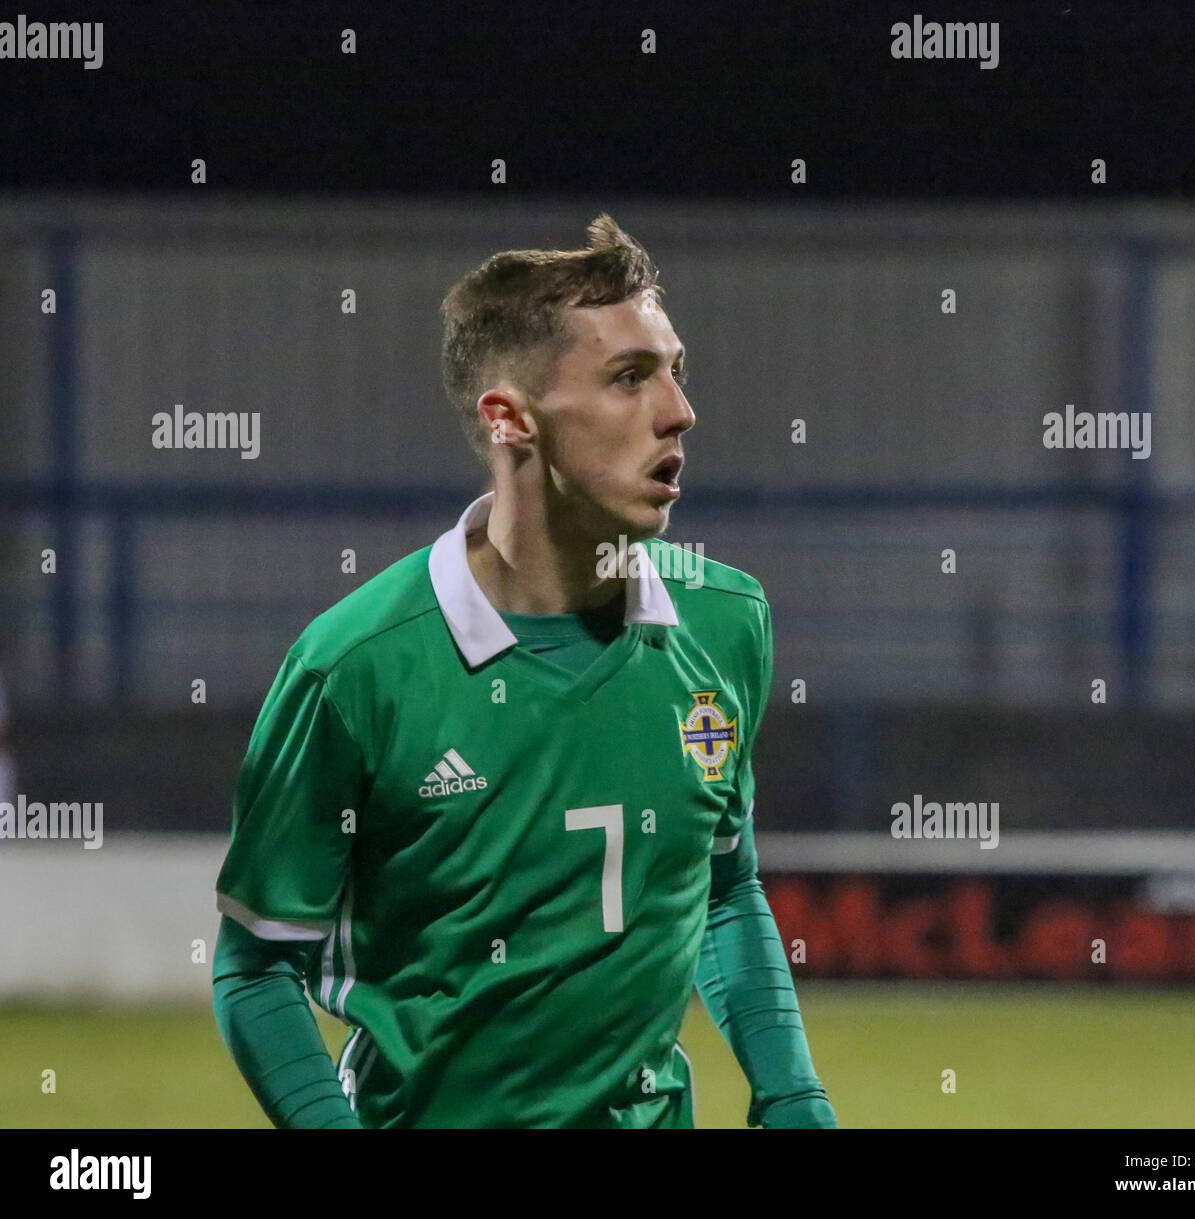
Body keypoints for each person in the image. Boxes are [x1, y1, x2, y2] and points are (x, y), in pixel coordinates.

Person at [212, 215, 835, 1129]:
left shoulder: (725, 622)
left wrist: (790, 1090)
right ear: (510, 418)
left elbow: (724, 884)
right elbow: (257, 963)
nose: (678, 410)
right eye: (630, 378)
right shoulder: (354, 669)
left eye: (676, 370)